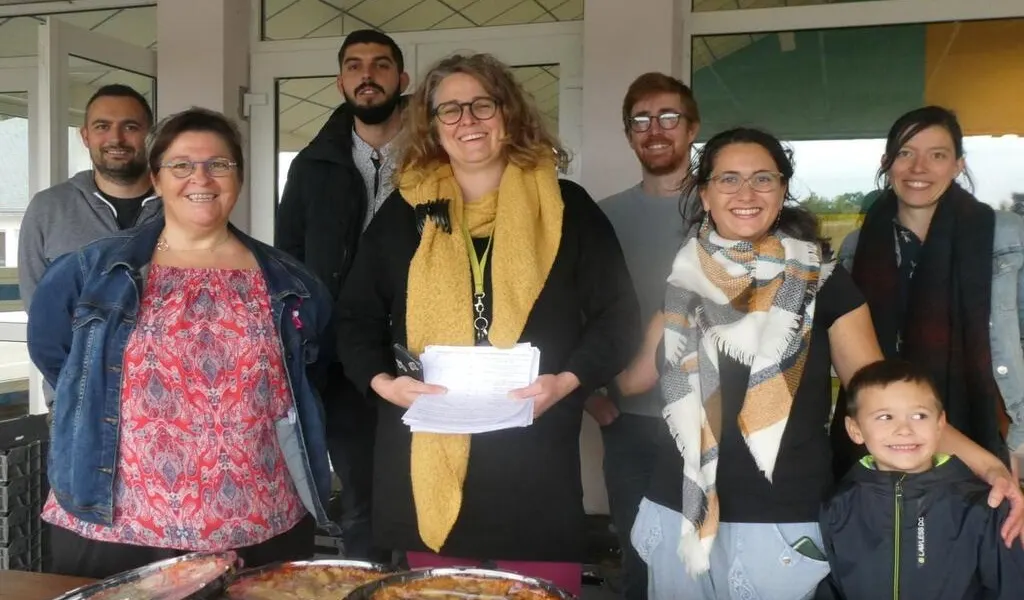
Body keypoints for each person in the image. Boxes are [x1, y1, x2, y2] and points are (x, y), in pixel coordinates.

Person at [617, 127, 1024, 599]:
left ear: (782, 190)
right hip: (679, 510)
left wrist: (990, 467)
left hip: (780, 522)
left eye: (763, 179)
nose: (746, 193)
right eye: (728, 179)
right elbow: (635, 380)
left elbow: (880, 397)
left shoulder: (824, 283)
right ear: (705, 194)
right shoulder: (686, 278)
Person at [334, 53, 640, 595]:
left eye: (481, 104)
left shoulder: (567, 208)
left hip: (532, 450)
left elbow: (617, 318)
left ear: (508, 113)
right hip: (427, 446)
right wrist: (384, 383)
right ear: (431, 124)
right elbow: (354, 318)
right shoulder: (404, 213)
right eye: (448, 109)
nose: (466, 120)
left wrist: (567, 383)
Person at [27, 107, 335, 579]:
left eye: (219, 164)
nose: (202, 178)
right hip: (117, 525)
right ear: (156, 177)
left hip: (259, 523)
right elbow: (58, 357)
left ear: (240, 177)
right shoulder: (91, 271)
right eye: (182, 165)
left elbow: (311, 372)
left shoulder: (292, 282)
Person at [275, 29, 409, 562]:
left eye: (380, 65)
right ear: (341, 82)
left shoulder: (434, 160)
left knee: (425, 489)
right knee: (358, 494)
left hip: (422, 352)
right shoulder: (311, 166)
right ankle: (366, 583)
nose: (367, 75)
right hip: (339, 360)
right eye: (354, 66)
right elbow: (289, 260)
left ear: (402, 79)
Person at [834, 106, 1024, 476]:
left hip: (992, 425)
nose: (919, 168)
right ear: (887, 162)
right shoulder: (857, 249)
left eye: (937, 155)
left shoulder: (1004, 234)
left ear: (958, 165)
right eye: (906, 153)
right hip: (887, 436)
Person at [590, 72, 701, 600]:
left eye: (669, 117)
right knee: (640, 565)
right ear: (629, 133)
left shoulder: (728, 208)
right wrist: (589, 394)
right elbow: (572, 313)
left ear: (693, 127)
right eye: (641, 120)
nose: (655, 130)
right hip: (629, 426)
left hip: (713, 423)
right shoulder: (600, 217)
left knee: (707, 561)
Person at [821, 358, 1024, 600]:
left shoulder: (983, 507)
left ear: (940, 424)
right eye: (885, 417)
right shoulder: (839, 505)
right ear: (855, 430)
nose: (904, 430)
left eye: (919, 416)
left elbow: (1011, 588)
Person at [19, 83, 161, 310]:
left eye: (130, 127)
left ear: (151, 136)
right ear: (85, 136)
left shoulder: (180, 206)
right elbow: (39, 313)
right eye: (102, 126)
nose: (116, 139)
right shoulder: (48, 209)